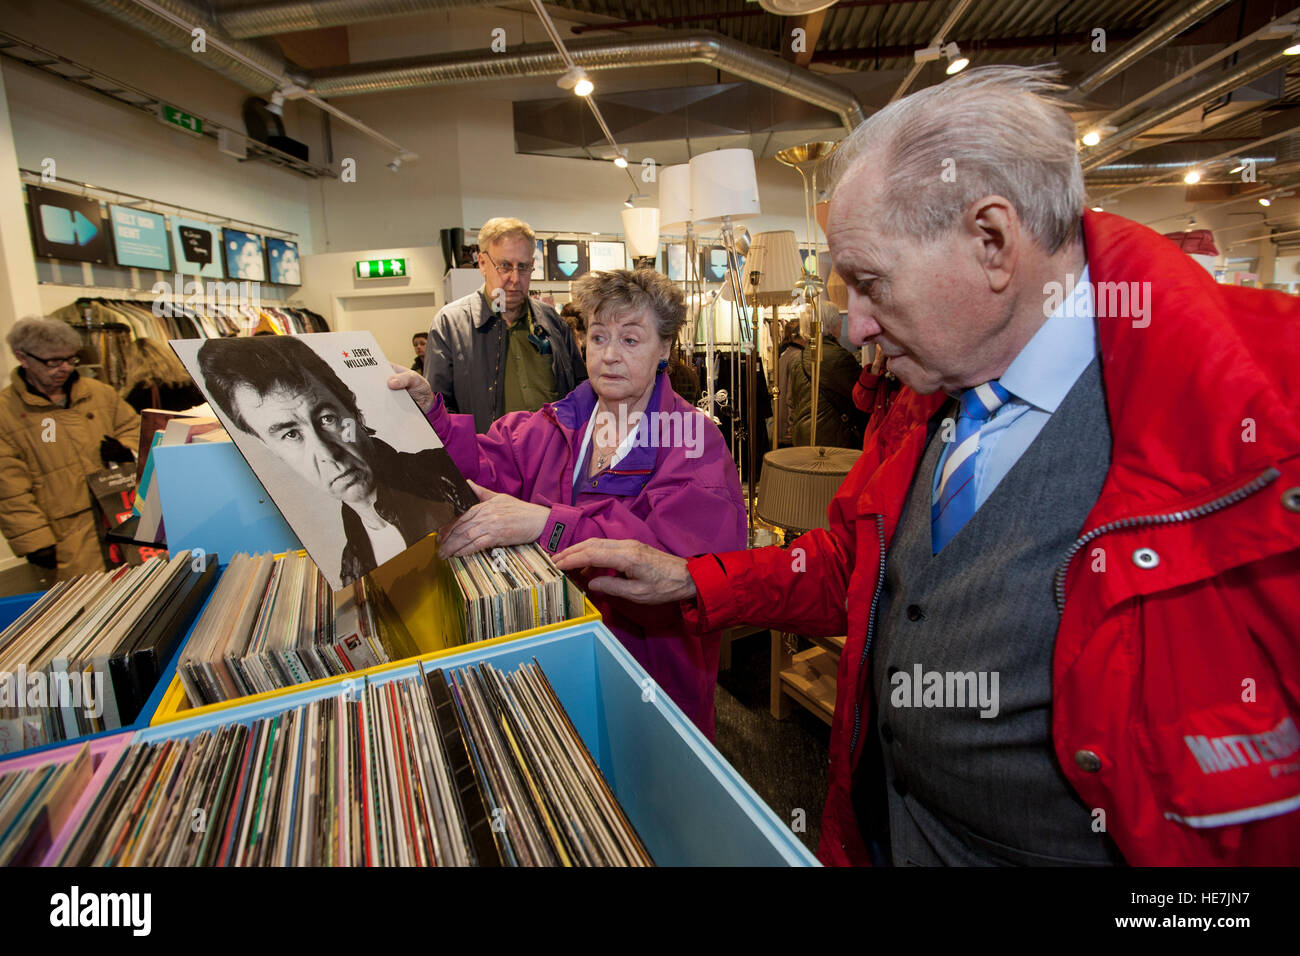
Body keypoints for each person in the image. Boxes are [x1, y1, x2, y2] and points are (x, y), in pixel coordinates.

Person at [551, 65, 1300, 866]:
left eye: (870, 283)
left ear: (991, 242)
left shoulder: (1270, 416)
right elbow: (859, 568)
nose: (858, 326)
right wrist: (690, 581)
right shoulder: (929, 383)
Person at [390, 268, 745, 737]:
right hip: (555, 663)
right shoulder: (556, 423)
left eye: (631, 340)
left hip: (648, 677)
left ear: (665, 349)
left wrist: (548, 524)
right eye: (598, 337)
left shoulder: (694, 443)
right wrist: (428, 414)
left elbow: (671, 564)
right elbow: (481, 466)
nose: (610, 355)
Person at [197, 335, 473, 585]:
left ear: (353, 409)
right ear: (271, 450)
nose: (327, 454)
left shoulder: (444, 480)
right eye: (291, 434)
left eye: (327, 419)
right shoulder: (351, 562)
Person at [0, 317, 140, 579]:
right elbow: (8, 486)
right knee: (85, 606)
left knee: (140, 592)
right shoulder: (6, 412)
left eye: (70, 359)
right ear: (23, 357)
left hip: (121, 516)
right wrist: (33, 538)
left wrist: (126, 449)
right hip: (66, 534)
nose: (64, 368)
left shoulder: (100, 393)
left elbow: (134, 429)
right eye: (53, 362)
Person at [424, 217, 586, 433]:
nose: (515, 278)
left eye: (524, 266)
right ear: (482, 263)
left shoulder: (552, 322)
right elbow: (438, 410)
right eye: (505, 266)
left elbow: (578, 390)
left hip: (554, 459)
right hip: (488, 460)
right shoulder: (450, 325)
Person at [788, 302, 869, 449]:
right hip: (831, 439)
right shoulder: (838, 357)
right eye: (838, 317)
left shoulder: (798, 358)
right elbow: (863, 395)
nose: (841, 321)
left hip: (803, 436)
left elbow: (793, 400)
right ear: (829, 324)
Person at [852, 344, 902, 445]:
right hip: (875, 439)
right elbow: (862, 403)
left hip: (897, 442)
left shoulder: (914, 371)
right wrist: (876, 365)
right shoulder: (882, 365)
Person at [775, 319, 804, 446]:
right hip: (788, 426)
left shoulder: (785, 354)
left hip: (781, 421)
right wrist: (791, 424)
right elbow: (791, 395)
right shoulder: (798, 357)